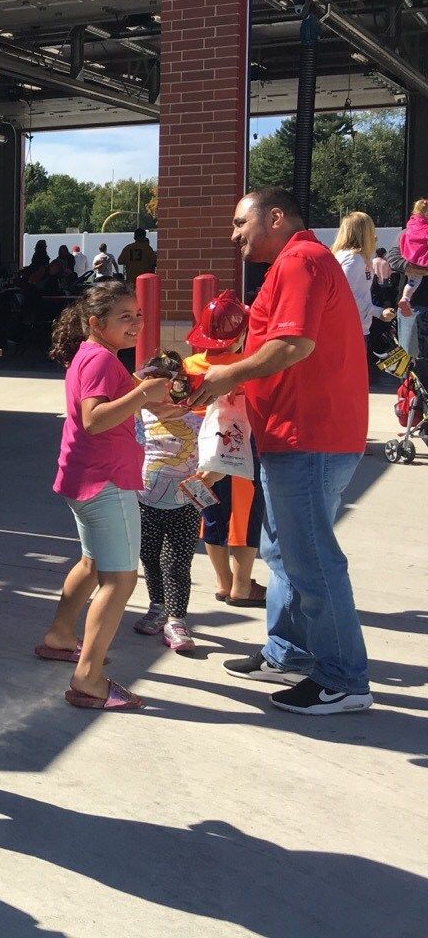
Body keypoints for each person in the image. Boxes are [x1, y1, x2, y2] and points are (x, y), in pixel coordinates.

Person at [190, 188, 372, 715]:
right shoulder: (298, 261)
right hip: (299, 436)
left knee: (312, 559)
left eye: (239, 222)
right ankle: (288, 652)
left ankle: (344, 680)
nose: (233, 235)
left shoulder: (301, 261)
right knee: (284, 552)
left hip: (308, 437)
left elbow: (293, 345)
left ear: (274, 217)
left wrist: (228, 373)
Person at [37, 282, 172, 710]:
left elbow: (140, 403)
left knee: (94, 564)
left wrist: (167, 402)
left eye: (138, 314)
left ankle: (60, 637)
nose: (136, 323)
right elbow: (93, 419)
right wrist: (143, 394)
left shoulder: (98, 357)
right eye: (124, 317)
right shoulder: (98, 359)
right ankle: (89, 679)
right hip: (105, 484)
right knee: (121, 579)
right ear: (96, 323)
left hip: (86, 480)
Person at [181, 291, 266, 608]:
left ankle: (222, 583)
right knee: (245, 516)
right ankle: (242, 586)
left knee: (212, 514)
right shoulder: (248, 366)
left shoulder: (190, 365)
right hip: (243, 449)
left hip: (201, 454)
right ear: (241, 332)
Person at [132, 397, 205, 654]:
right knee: (149, 557)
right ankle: (157, 607)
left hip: (186, 504)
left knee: (176, 564)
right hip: (145, 501)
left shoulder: (199, 417)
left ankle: (177, 620)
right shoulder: (142, 415)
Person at [330, 212, 393, 338]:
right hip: (353, 329)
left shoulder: (343, 256)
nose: (375, 236)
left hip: (348, 327)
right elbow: (346, 294)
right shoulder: (354, 259)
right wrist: (378, 312)